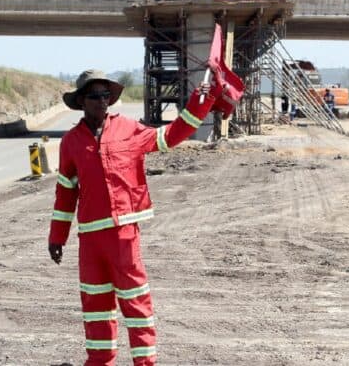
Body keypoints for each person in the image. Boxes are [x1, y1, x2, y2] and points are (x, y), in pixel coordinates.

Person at [48, 69, 221, 366]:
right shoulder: (71, 143)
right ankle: (100, 360)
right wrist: (57, 236)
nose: (102, 102)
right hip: (89, 239)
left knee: (135, 301)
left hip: (124, 234)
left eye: (106, 96)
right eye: (95, 96)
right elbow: (66, 194)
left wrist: (200, 103)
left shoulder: (128, 129)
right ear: (82, 102)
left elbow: (170, 136)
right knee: (96, 305)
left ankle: (145, 363)